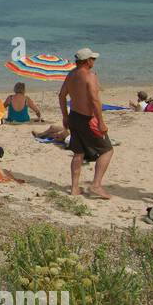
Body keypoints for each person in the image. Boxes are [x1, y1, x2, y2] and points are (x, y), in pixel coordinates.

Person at [58, 47, 113, 199]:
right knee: (107, 150)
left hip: (74, 116)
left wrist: (65, 116)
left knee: (78, 153)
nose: (94, 61)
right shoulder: (90, 76)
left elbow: (62, 95)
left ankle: (75, 188)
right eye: (93, 59)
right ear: (87, 61)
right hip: (87, 119)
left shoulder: (71, 74)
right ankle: (96, 185)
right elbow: (95, 100)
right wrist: (101, 121)